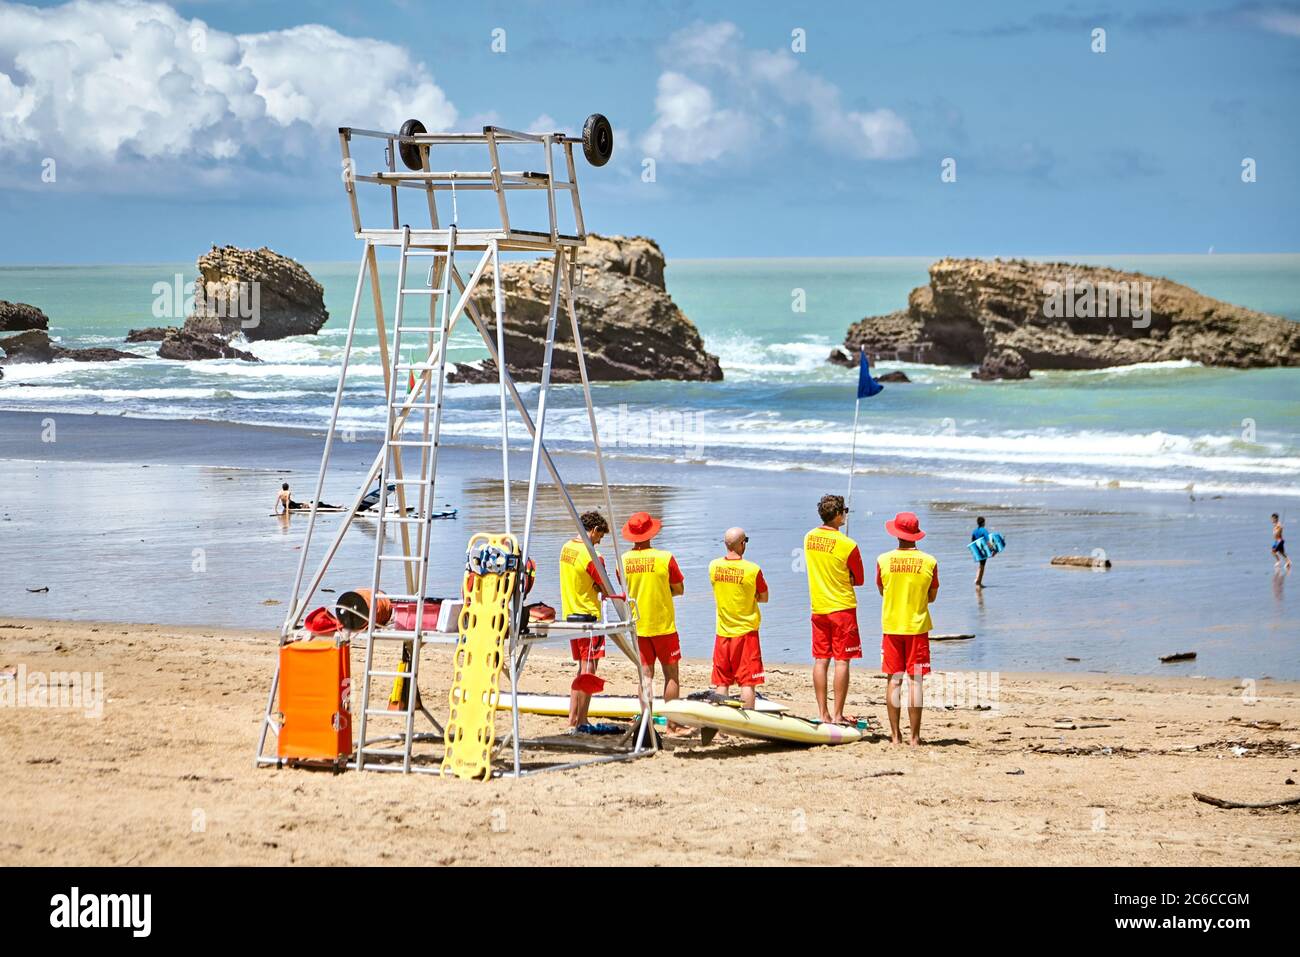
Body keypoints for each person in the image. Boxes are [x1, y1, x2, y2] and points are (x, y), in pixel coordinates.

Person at [876, 511, 939, 746]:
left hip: (892, 627)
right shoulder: (930, 562)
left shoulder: (883, 560)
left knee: (894, 680)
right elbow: (931, 596)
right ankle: (914, 737)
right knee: (915, 682)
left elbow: (882, 590)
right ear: (916, 535)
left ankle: (895, 736)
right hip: (917, 628)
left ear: (896, 534)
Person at [803, 493, 865, 726]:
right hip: (842, 608)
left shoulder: (809, 537)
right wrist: (846, 574)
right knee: (841, 661)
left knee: (821, 660)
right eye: (844, 511)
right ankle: (837, 715)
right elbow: (858, 578)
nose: (846, 515)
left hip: (818, 607)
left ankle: (823, 713)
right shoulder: (848, 544)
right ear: (838, 514)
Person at [620, 512, 685, 717]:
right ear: (651, 533)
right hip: (663, 624)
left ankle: (646, 721)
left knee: (646, 676)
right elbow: (679, 589)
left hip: (637, 625)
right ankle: (673, 724)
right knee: (671, 675)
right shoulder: (664, 558)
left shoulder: (621, 560)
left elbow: (625, 588)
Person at [559, 510, 612, 727]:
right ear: (594, 530)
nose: (599, 542)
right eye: (600, 537)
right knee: (589, 670)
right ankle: (581, 721)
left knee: (581, 669)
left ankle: (574, 718)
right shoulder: (592, 556)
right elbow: (606, 588)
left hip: (570, 614)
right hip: (589, 616)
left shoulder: (566, 548)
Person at [709, 527, 768, 709]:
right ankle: (748, 718)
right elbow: (764, 597)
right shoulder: (752, 569)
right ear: (742, 544)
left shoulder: (714, 566)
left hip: (723, 631)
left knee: (722, 681)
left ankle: (720, 722)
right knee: (747, 682)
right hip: (745, 632)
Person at [971, 516, 991, 587]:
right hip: (983, 550)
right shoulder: (984, 530)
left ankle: (977, 579)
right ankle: (979, 582)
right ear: (983, 523)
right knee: (982, 566)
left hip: (977, 550)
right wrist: (992, 549)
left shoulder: (975, 531)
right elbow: (988, 541)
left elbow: (972, 542)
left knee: (980, 565)